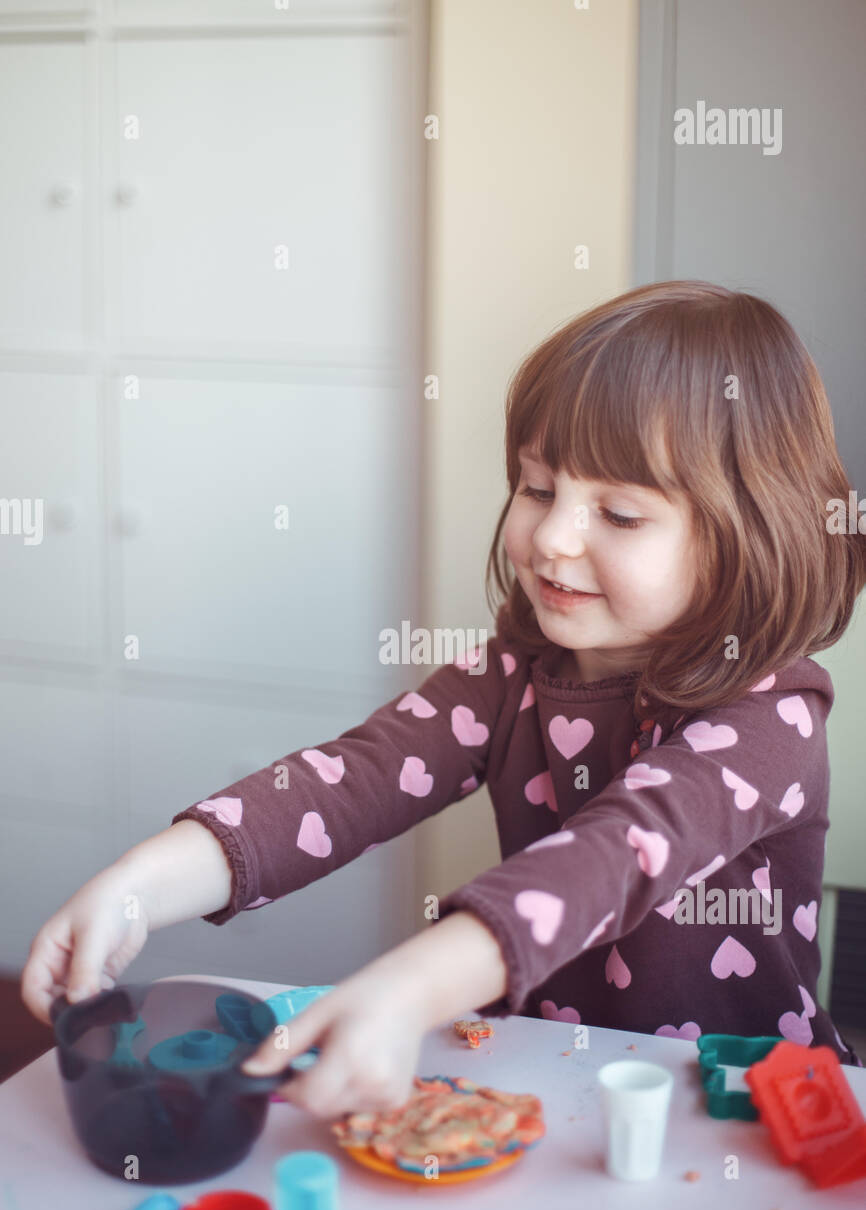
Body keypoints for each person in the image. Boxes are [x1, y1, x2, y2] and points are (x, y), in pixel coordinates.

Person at [22, 280, 866, 1118]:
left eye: (617, 512)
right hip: (551, 1086)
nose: (551, 537)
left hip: (744, 1113)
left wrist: (410, 985)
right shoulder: (515, 672)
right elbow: (343, 786)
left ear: (746, 536)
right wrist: (138, 882)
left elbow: (619, 854)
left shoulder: (773, 713)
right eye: (538, 489)